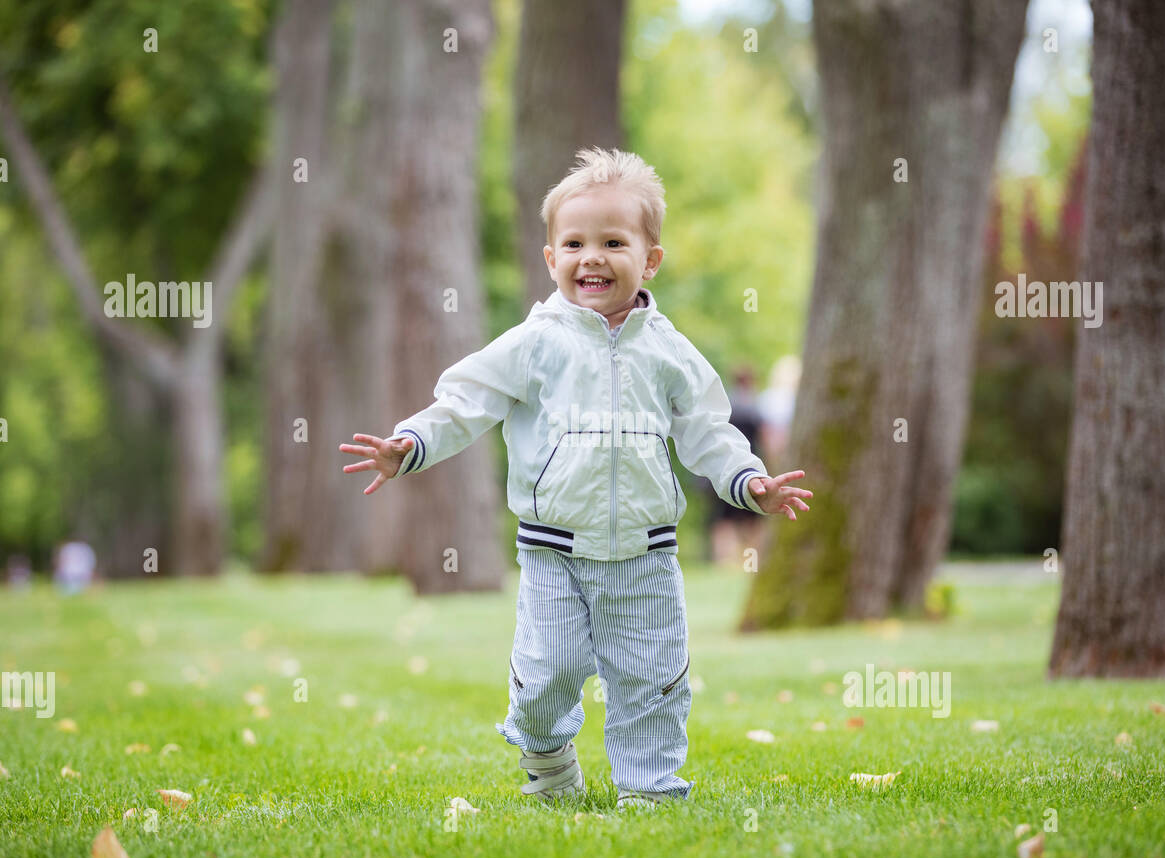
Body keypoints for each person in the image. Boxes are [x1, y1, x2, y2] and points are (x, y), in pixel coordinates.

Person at [339, 147, 812, 811]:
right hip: (553, 553)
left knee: (651, 681)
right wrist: (410, 443)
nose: (592, 256)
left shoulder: (669, 351)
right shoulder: (535, 343)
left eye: (613, 242)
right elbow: (467, 401)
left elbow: (710, 430)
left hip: (647, 559)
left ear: (650, 259)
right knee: (545, 678)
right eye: (574, 243)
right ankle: (550, 765)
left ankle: (649, 791)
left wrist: (748, 480)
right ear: (551, 258)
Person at [709, 366, 766, 566]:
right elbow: (764, 438)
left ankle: (724, 562)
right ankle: (751, 562)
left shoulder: (726, 405)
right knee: (753, 520)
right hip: (750, 469)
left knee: (724, 520)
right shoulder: (755, 407)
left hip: (724, 470)